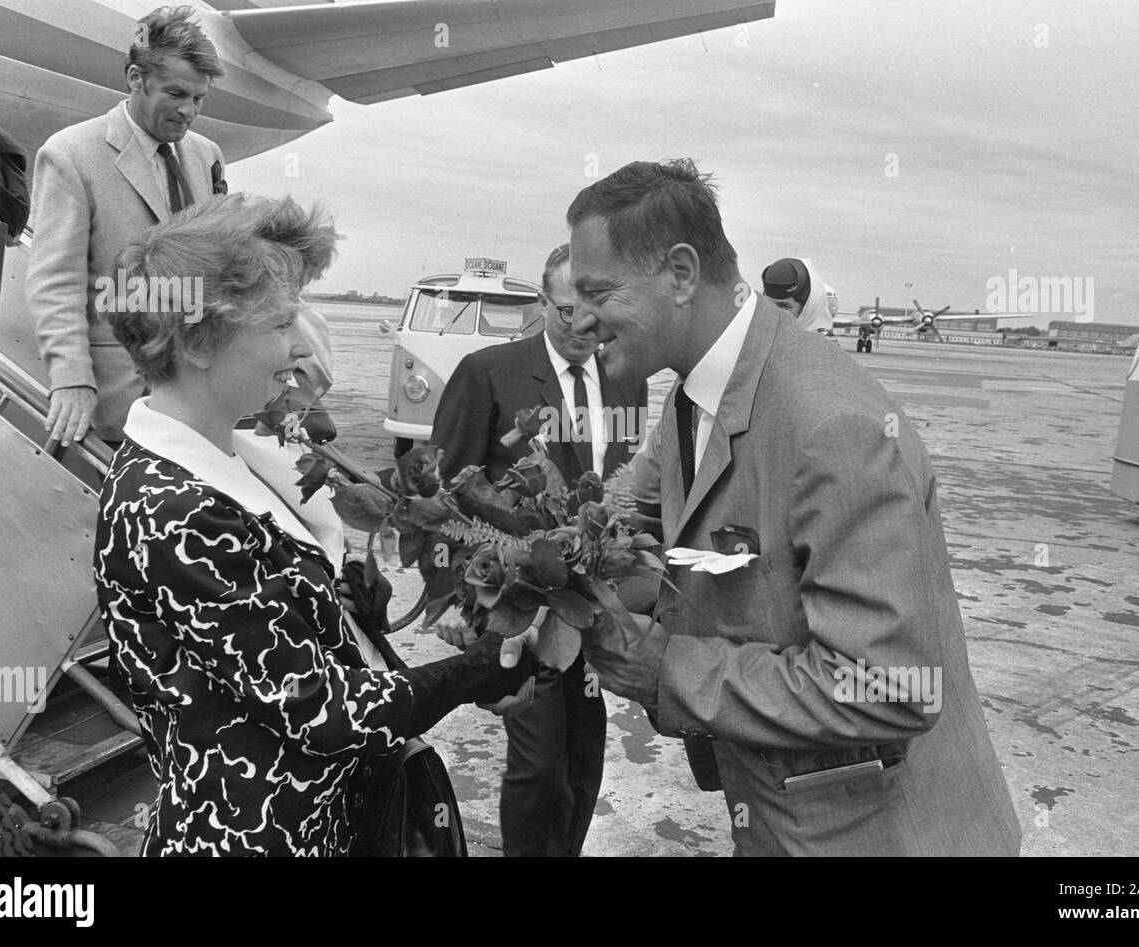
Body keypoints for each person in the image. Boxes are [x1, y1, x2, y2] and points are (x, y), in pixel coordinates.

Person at [565, 159, 1022, 856]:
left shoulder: (831, 424)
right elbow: (625, 524)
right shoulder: (690, 400)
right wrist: (520, 571)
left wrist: (670, 671)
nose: (581, 316)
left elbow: (889, 687)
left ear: (681, 275)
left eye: (598, 291)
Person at [95, 193, 534, 856]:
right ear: (197, 339)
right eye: (278, 323)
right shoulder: (170, 507)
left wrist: (350, 612)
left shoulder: (236, 456)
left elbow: (268, 639)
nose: (300, 346)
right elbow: (325, 710)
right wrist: (478, 670)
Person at [26, 5, 332, 448]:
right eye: (175, 94)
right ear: (135, 79)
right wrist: (71, 380)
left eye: (198, 99)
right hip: (124, 391)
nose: (188, 110)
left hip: (203, 389)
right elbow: (55, 282)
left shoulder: (205, 154)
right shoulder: (70, 154)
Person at [430, 243, 649, 857]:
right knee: (538, 763)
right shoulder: (488, 370)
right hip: (519, 600)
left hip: (593, 597)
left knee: (583, 755)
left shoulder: (626, 375)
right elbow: (443, 491)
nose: (582, 328)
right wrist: (450, 595)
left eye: (596, 313)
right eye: (564, 311)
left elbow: (625, 480)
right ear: (539, 303)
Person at [761, 256, 834, 334]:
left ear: (806, 309)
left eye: (783, 306)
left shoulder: (817, 345)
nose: (773, 313)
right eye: (767, 304)